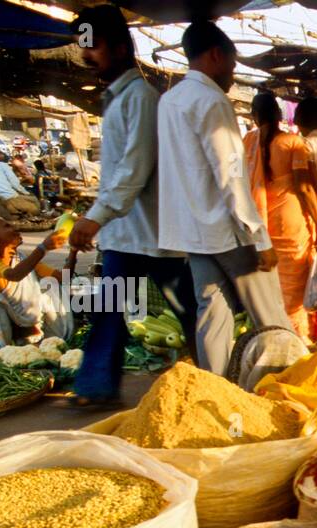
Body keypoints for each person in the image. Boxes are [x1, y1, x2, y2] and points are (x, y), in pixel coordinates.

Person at [68, 4, 200, 408]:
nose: (87, 55)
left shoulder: (140, 98)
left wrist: (95, 217)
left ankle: (217, 375)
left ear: (122, 48)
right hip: (126, 236)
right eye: (84, 47)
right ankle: (95, 388)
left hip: (156, 234)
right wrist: (100, 219)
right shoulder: (118, 100)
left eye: (94, 46)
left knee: (188, 311)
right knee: (108, 310)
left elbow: (133, 168)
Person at [157, 21, 294, 376]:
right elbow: (229, 175)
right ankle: (284, 390)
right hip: (229, 231)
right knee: (271, 317)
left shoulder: (169, 100)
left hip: (193, 233)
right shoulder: (212, 101)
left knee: (212, 316)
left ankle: (217, 391)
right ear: (216, 56)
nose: (233, 75)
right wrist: (258, 237)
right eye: (232, 65)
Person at [244, 90, 317, 342]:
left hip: (258, 228)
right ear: (280, 114)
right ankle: (294, 344)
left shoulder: (246, 141)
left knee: (268, 290)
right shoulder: (293, 144)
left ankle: (270, 340)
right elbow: (304, 188)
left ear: (254, 116)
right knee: (293, 295)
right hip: (289, 225)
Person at [0, 216, 74, 347]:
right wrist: (43, 248)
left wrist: (73, 251)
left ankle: (47, 338)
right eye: (6, 226)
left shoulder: (21, 259)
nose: (14, 228)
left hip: (24, 325)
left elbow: (63, 278)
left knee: (50, 286)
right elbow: (14, 275)